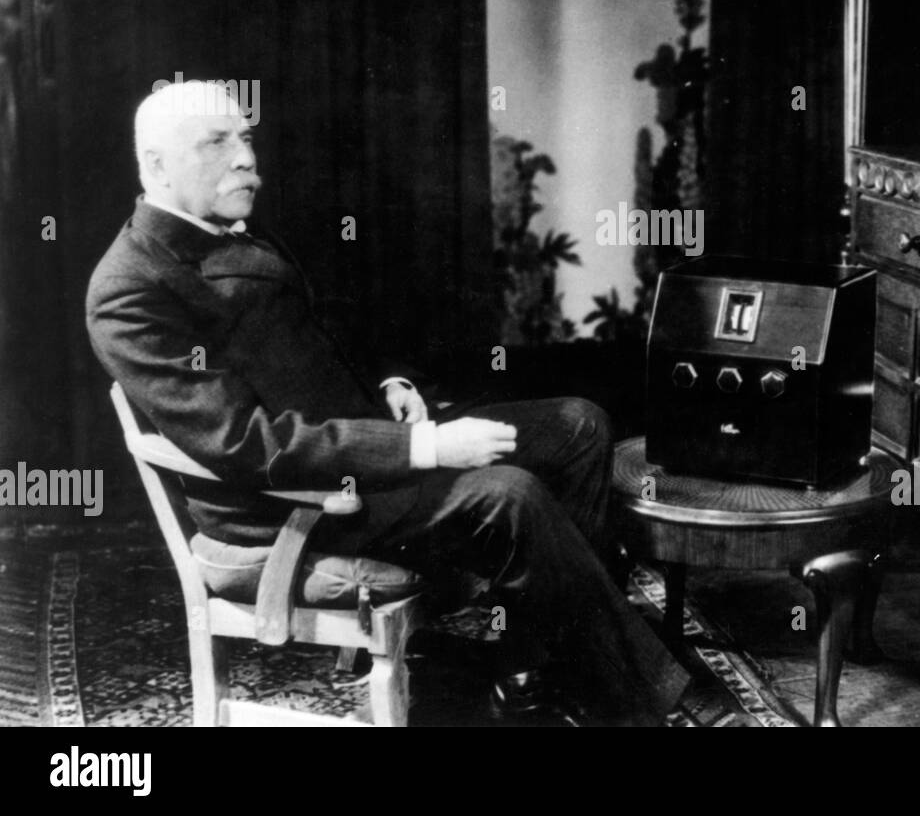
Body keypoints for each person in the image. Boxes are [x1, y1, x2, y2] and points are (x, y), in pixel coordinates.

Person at [86, 80, 688, 725]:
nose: (245, 159)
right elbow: (244, 444)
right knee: (510, 494)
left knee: (579, 425)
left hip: (367, 447)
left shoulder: (234, 230)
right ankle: (628, 703)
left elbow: (331, 331)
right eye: (217, 142)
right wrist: (427, 447)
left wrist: (392, 384)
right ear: (156, 164)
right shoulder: (131, 288)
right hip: (295, 504)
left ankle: (534, 666)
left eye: (246, 138)